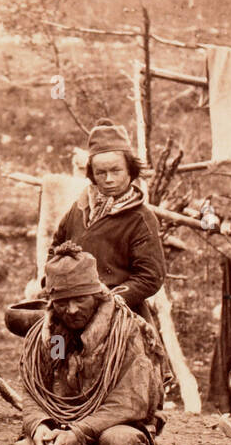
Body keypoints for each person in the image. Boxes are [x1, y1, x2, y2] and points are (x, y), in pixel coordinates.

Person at [2, 243, 172, 445]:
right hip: (65, 437)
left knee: (119, 441)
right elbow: (40, 388)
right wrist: (39, 425)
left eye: (80, 299)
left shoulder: (126, 332)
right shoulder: (55, 335)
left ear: (97, 294)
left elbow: (131, 402)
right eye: (63, 302)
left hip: (110, 439)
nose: (72, 310)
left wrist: (79, 433)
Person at [51, 120, 166, 315]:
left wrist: (111, 299)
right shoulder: (79, 209)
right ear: (92, 175)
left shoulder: (141, 219)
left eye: (116, 171)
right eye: (101, 173)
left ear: (130, 171)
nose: (109, 179)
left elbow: (150, 277)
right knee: (49, 344)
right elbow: (56, 249)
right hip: (71, 311)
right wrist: (53, 282)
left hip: (119, 313)